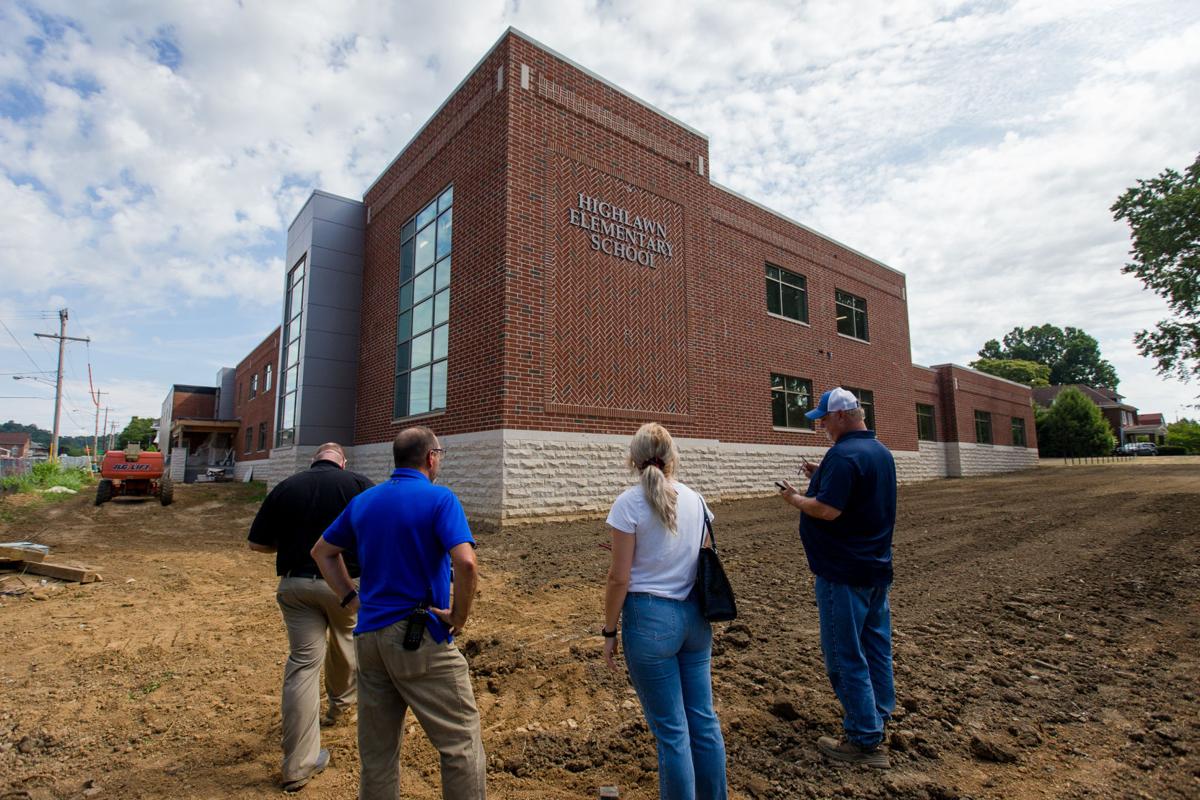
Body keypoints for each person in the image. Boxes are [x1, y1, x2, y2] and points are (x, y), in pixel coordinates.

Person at [311, 426, 485, 800]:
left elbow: (322, 551)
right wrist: (458, 616)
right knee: (460, 743)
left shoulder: (366, 501)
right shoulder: (440, 499)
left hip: (370, 640)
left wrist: (350, 599)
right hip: (417, 638)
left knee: (377, 753)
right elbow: (466, 564)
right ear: (431, 457)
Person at [602, 422, 728, 800]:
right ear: (673, 458)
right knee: (703, 722)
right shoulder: (698, 500)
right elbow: (700, 559)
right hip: (694, 618)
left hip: (650, 622)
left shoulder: (627, 503)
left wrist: (609, 632)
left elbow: (618, 579)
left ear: (633, 460)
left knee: (672, 732)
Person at [777, 387, 897, 769]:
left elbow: (827, 510)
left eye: (825, 419)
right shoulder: (878, 452)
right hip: (875, 569)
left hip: (842, 573)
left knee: (844, 655)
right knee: (875, 646)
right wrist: (823, 473)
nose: (823, 426)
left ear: (843, 416)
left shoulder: (843, 457)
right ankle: (878, 715)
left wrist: (795, 499)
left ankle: (864, 739)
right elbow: (855, 493)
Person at [247, 442, 374, 792]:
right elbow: (378, 533)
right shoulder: (359, 485)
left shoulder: (287, 486)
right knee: (346, 639)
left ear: (313, 460)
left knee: (303, 664)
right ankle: (341, 705)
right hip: (345, 584)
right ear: (343, 462)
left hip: (296, 586)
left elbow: (257, 544)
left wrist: (289, 544)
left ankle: (298, 765)